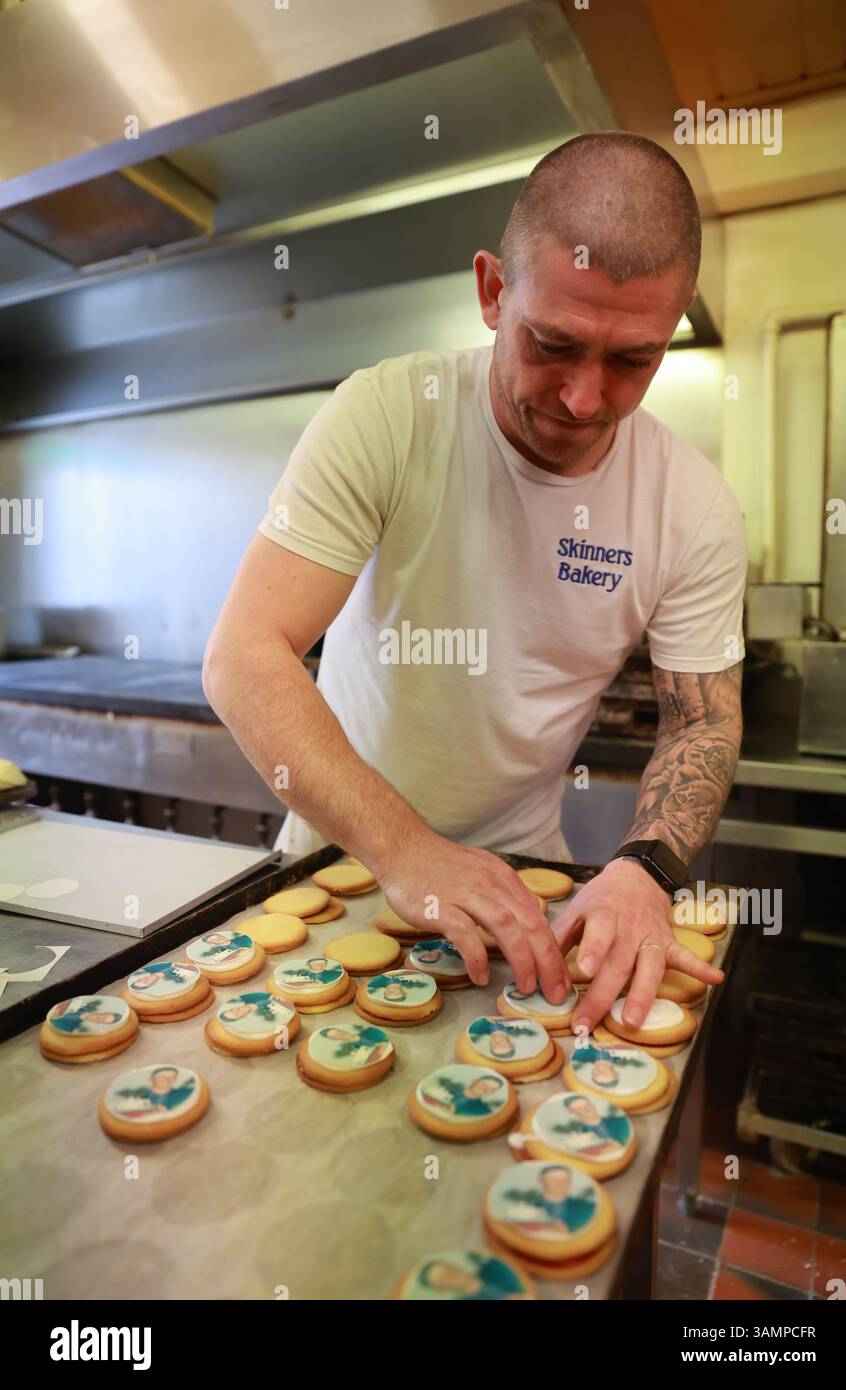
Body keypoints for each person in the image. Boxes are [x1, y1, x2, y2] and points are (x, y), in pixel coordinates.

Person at [204, 132, 742, 1033]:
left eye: (630, 362)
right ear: (494, 291)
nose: (582, 398)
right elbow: (245, 656)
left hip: (529, 880)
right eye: (554, 343)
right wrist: (409, 851)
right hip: (344, 863)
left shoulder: (692, 506)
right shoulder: (386, 416)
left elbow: (703, 717)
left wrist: (645, 870)